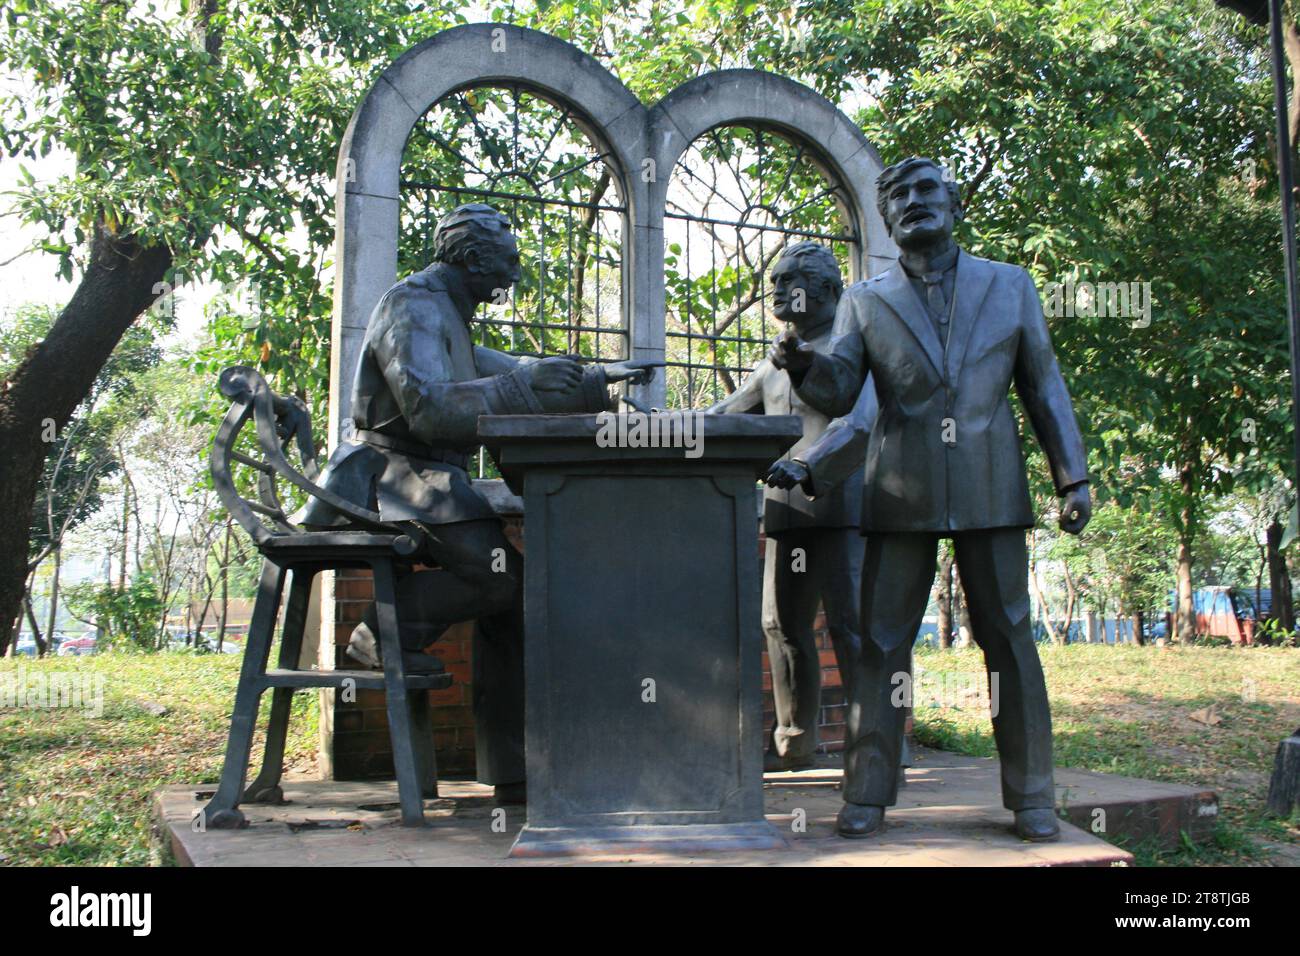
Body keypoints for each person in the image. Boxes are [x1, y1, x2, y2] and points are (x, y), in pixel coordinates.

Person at [769, 157, 1091, 841]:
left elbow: (1045, 386)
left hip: (990, 488)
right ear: (887, 220)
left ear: (952, 203)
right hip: (899, 493)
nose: (913, 202)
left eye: (925, 190)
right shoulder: (865, 299)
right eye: (898, 196)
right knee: (882, 645)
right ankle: (867, 793)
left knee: (1008, 639)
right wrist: (803, 366)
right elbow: (840, 392)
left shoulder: (1011, 287)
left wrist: (1073, 478)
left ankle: (1033, 796)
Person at [301, 203, 656, 800]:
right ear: (471, 260)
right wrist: (526, 385)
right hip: (395, 481)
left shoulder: (446, 313)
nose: (513, 277)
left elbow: (507, 368)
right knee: (508, 587)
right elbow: (429, 408)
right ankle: (381, 630)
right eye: (507, 264)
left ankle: (514, 772)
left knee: (513, 594)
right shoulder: (412, 306)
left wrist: (596, 379)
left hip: (427, 483)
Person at [707, 242, 871, 772]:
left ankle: (877, 745)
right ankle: (793, 741)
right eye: (773, 280)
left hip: (848, 508)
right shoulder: (769, 364)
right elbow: (721, 418)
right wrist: (649, 424)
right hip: (785, 512)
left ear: (826, 290)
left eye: (789, 280)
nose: (775, 289)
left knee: (857, 627)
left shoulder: (854, 352)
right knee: (780, 625)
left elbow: (854, 419)